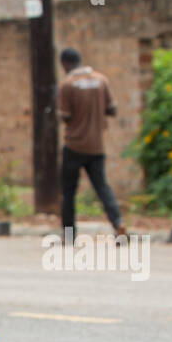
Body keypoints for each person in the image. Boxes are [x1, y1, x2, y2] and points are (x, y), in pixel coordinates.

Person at [57, 47, 126, 242]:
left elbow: (65, 116)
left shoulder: (68, 84)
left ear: (65, 64)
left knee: (68, 191)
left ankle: (69, 235)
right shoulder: (101, 80)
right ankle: (118, 222)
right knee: (102, 187)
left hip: (74, 146)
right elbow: (112, 109)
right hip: (96, 146)